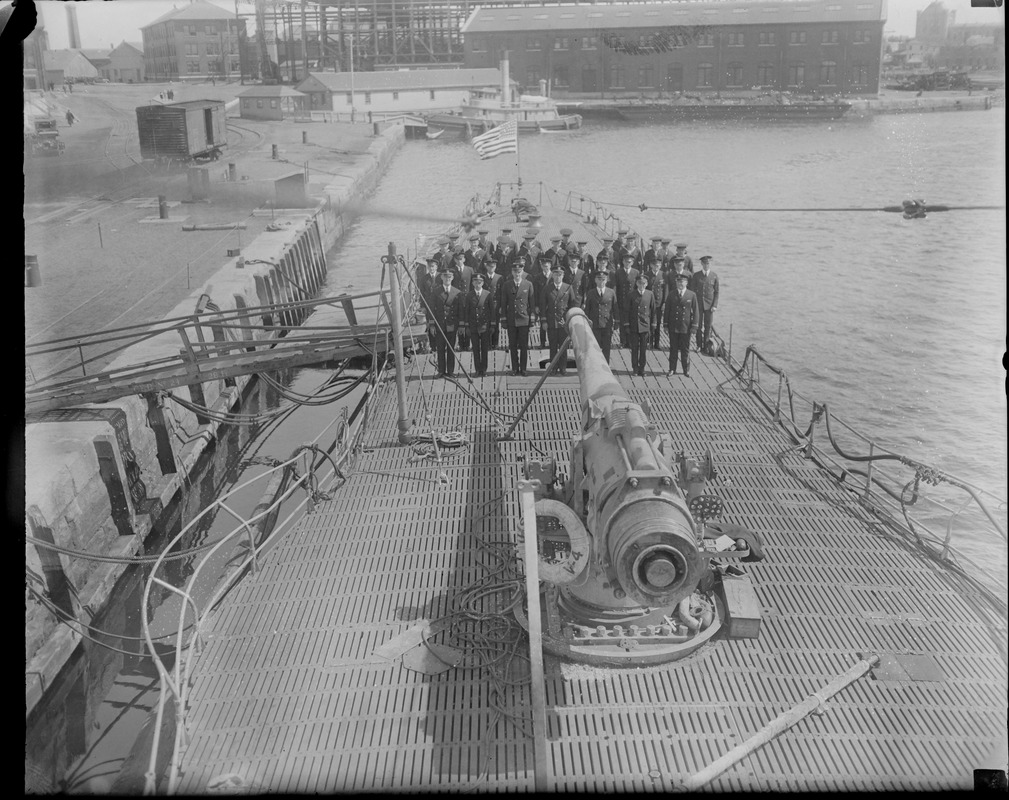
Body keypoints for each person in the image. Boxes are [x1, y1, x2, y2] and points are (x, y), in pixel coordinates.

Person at [500, 262, 534, 376]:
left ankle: (523, 368)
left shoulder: (528, 284)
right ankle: (515, 368)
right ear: (512, 272)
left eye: (519, 272)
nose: (517, 274)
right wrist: (503, 318)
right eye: (515, 272)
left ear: (522, 272)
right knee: (513, 345)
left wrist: (532, 317)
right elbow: (503, 303)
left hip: (524, 318)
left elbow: (532, 303)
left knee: (524, 345)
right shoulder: (507, 285)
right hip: (512, 319)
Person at [542, 264, 576, 375]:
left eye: (560, 275)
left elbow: (572, 305)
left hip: (563, 322)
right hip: (551, 322)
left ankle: (563, 368)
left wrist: (570, 321)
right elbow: (543, 306)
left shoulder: (568, 288)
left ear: (563, 276)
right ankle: (553, 368)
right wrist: (544, 321)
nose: (558, 277)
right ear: (552, 276)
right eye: (556, 274)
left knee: (563, 347)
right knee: (552, 346)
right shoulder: (547, 288)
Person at [430, 268, 462, 378]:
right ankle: (441, 370)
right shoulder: (436, 291)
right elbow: (431, 309)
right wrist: (432, 324)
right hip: (439, 325)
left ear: (452, 278)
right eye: (445, 276)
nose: (447, 279)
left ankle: (451, 371)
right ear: (441, 277)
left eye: (449, 277)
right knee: (440, 348)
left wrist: (459, 325)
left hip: (452, 325)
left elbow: (459, 311)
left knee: (451, 348)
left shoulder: (457, 292)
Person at [665, 272, 699, 377]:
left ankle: (686, 370)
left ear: (686, 283)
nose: (680, 284)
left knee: (685, 349)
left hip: (685, 326)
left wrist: (694, 326)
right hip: (673, 326)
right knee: (673, 348)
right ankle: (672, 369)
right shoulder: (671, 294)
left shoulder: (691, 295)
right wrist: (665, 325)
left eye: (682, 282)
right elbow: (667, 311)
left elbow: (696, 311)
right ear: (676, 283)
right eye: (678, 282)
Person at [583, 270, 617, 364]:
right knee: (595, 347)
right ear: (595, 280)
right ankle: (595, 365)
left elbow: (615, 308)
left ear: (606, 281)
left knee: (606, 347)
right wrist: (586, 322)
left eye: (603, 279)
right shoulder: (591, 293)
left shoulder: (611, 292)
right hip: (595, 324)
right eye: (599, 279)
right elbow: (587, 310)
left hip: (607, 324)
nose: (601, 282)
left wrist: (616, 321)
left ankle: (606, 365)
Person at [465, 272, 494, 377]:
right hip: (473, 326)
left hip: (484, 326)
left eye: (480, 282)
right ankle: (477, 369)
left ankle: (484, 369)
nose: (478, 284)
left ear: (483, 283)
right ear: (472, 283)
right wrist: (467, 326)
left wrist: (492, 325)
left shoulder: (487, 294)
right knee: (476, 349)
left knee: (484, 348)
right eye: (476, 282)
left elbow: (492, 311)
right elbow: (467, 311)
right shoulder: (469, 295)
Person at [689, 255, 719, 352]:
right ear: (701, 264)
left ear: (710, 264)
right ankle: (698, 345)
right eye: (705, 263)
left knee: (708, 326)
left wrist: (714, 305)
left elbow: (717, 292)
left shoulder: (714, 276)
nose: (706, 265)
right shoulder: (696, 276)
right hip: (699, 304)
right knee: (698, 325)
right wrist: (693, 305)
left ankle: (706, 346)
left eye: (708, 263)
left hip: (709, 306)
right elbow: (692, 291)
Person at [627, 273, 655, 377]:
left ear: (647, 284)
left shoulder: (650, 294)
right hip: (634, 325)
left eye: (643, 283)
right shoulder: (631, 294)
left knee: (643, 348)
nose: (641, 285)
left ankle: (642, 368)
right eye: (639, 283)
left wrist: (653, 324)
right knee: (634, 348)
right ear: (636, 283)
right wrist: (627, 324)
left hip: (645, 325)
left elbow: (653, 310)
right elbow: (627, 310)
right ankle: (635, 368)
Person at [614, 254, 640, 348]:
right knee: (622, 322)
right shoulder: (618, 272)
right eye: (625, 262)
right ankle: (623, 341)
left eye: (629, 262)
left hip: (632, 301)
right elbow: (616, 287)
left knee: (632, 321)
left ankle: (631, 342)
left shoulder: (636, 272)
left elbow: (637, 287)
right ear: (623, 262)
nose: (627, 263)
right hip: (621, 300)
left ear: (632, 263)